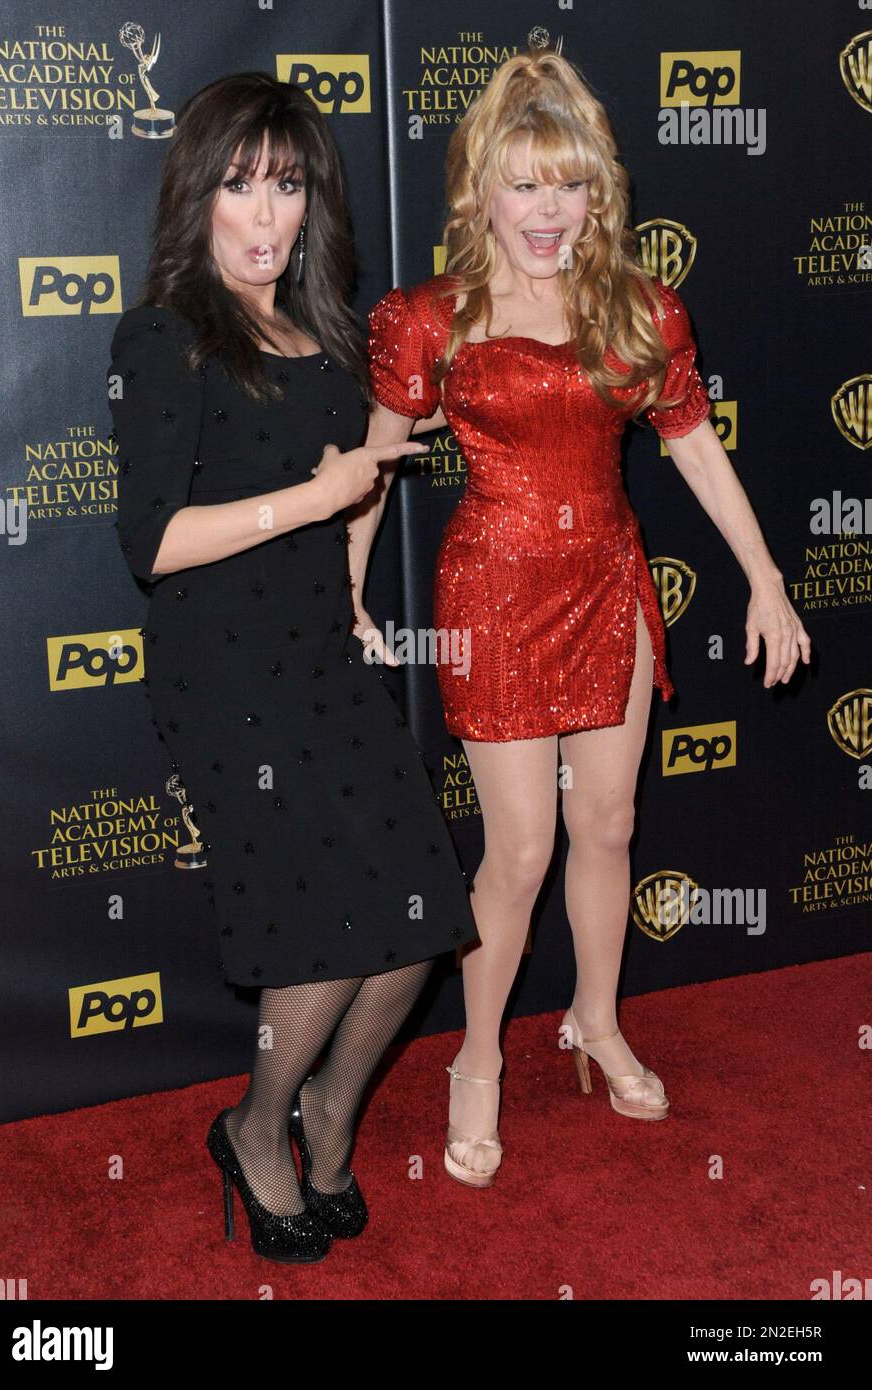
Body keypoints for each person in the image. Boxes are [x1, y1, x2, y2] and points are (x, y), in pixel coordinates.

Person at [357, 43, 811, 1187]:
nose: (547, 209)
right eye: (524, 183)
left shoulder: (642, 310)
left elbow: (697, 452)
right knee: (516, 852)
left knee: (605, 827)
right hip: (495, 596)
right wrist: (343, 594)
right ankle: (476, 1061)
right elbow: (370, 466)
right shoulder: (429, 319)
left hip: (610, 585)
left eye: (567, 182)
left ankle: (595, 1020)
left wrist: (763, 577)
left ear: (595, 191)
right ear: (481, 193)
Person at [105, 70, 480, 1262]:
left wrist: (355, 582)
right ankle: (257, 1124)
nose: (265, 217)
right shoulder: (164, 337)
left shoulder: (326, 332)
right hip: (222, 672)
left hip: (320, 649)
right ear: (197, 198)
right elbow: (155, 544)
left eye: (287, 186)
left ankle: (329, 1107)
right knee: (316, 930)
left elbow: (350, 491)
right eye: (239, 187)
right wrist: (309, 497)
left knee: (420, 916)